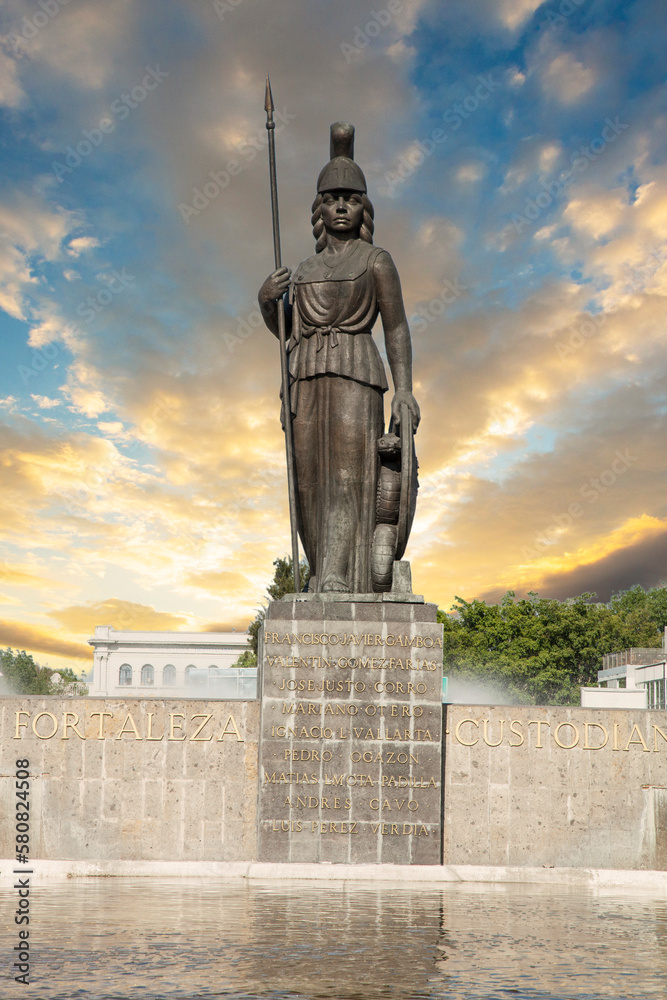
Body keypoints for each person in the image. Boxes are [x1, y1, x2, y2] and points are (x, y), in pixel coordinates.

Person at [258, 122, 419, 594]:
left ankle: (337, 575)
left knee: (348, 477)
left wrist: (404, 390)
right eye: (333, 199)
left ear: (364, 206)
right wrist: (268, 302)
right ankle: (318, 567)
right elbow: (288, 332)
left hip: (355, 370)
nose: (342, 205)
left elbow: (397, 328)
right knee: (308, 484)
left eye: (351, 198)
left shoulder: (376, 261)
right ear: (320, 208)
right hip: (304, 376)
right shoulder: (302, 270)